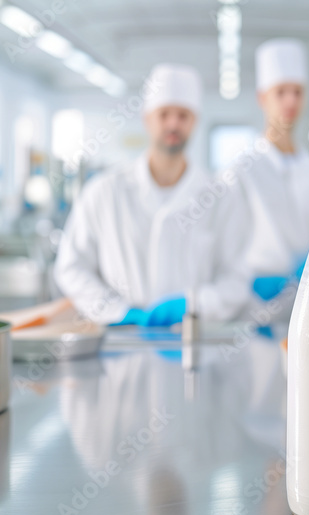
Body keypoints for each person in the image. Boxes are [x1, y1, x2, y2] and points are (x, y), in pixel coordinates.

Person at [54, 63, 252, 326]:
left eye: (183, 115)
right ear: (147, 119)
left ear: (195, 122)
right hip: (120, 342)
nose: (173, 123)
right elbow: (71, 268)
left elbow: (236, 280)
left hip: (191, 339)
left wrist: (195, 304)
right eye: (164, 114)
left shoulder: (220, 197)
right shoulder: (104, 192)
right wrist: (118, 312)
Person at [226, 38, 309, 302]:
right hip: (256, 303)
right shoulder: (241, 172)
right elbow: (225, 250)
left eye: (297, 92)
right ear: (262, 97)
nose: (290, 101)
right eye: (281, 92)